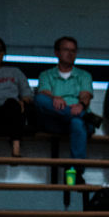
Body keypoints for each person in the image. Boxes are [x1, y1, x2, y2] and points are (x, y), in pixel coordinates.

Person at [32, 35, 93, 167]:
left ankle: (76, 174)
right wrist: (54, 97)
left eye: (73, 50)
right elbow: (44, 94)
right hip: (54, 120)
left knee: (77, 123)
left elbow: (86, 96)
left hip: (77, 121)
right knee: (39, 99)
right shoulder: (46, 75)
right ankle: (82, 115)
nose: (70, 53)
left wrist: (81, 105)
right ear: (56, 53)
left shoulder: (84, 75)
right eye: (66, 50)